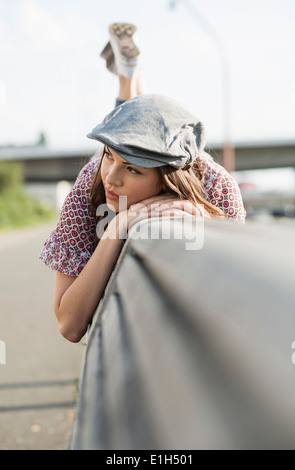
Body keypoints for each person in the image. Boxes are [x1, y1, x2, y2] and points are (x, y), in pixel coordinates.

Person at [39, 23, 246, 344]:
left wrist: (207, 224)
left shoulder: (217, 188)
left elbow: (236, 291)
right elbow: (70, 325)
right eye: (108, 155)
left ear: (168, 179)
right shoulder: (91, 181)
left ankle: (128, 74)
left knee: (138, 121)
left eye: (134, 171)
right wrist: (119, 226)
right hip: (138, 151)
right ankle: (128, 76)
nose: (112, 177)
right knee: (132, 121)